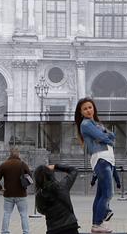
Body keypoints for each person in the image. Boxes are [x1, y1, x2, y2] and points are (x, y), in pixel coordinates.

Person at [75, 96, 116, 233]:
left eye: (90, 107)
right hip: (101, 159)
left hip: (107, 159)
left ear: (94, 108)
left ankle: (96, 224)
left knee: (100, 195)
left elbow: (112, 135)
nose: (88, 110)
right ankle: (101, 220)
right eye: (85, 109)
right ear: (81, 112)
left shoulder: (96, 123)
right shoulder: (86, 124)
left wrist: (105, 135)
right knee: (108, 194)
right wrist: (106, 137)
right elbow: (104, 137)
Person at [0, 147, 33, 234]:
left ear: (9, 154)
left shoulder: (4, 165)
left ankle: (4, 232)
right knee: (23, 214)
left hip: (8, 194)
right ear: (18, 154)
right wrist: (25, 185)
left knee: (7, 213)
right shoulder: (23, 164)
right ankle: (26, 232)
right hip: (21, 194)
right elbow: (30, 178)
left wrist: (0, 188)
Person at [34, 163, 81, 234]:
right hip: (70, 226)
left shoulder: (40, 195)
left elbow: (41, 210)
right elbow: (74, 170)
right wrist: (56, 166)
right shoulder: (63, 185)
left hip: (53, 228)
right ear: (51, 174)